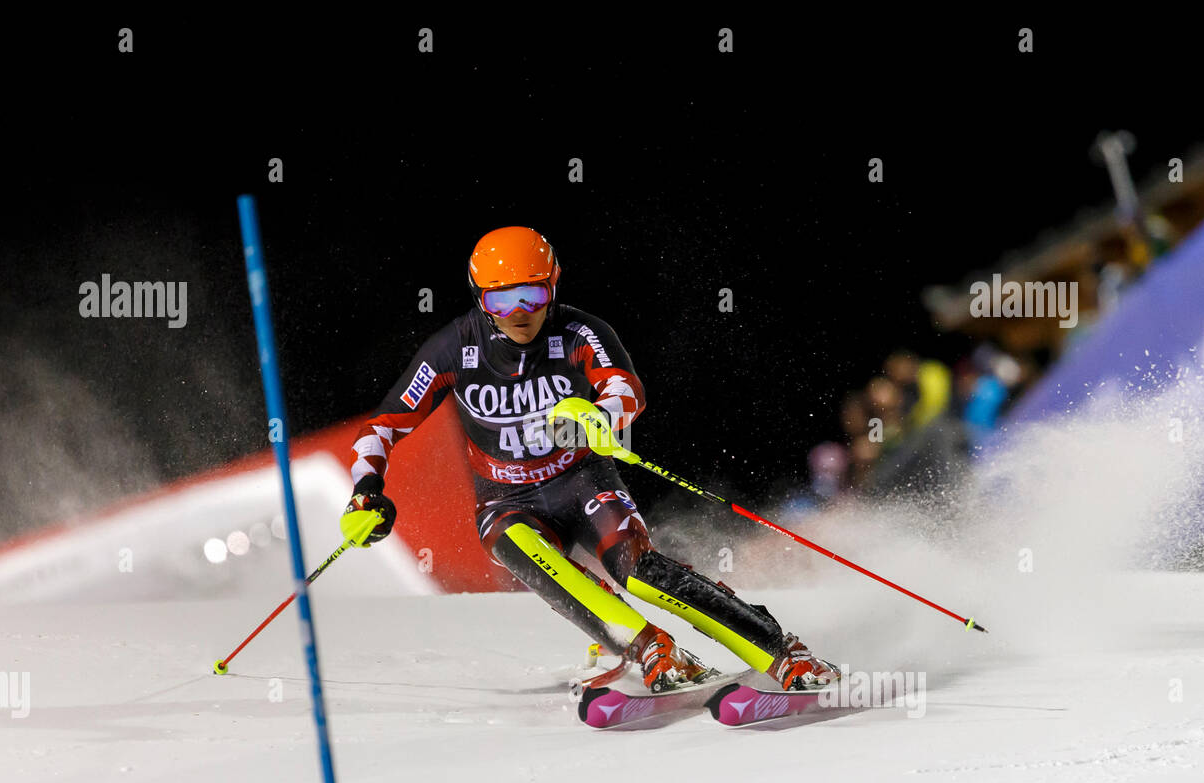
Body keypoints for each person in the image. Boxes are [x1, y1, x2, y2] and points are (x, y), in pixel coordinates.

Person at [340, 226, 838, 693]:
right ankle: (651, 650)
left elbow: (627, 390)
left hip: (579, 479)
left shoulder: (578, 331)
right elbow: (383, 427)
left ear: (553, 285)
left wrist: (599, 415)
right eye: (500, 299)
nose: (518, 312)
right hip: (506, 497)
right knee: (523, 551)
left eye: (532, 295)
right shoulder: (452, 350)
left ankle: (779, 650)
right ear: (479, 299)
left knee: (638, 571)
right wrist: (365, 491)